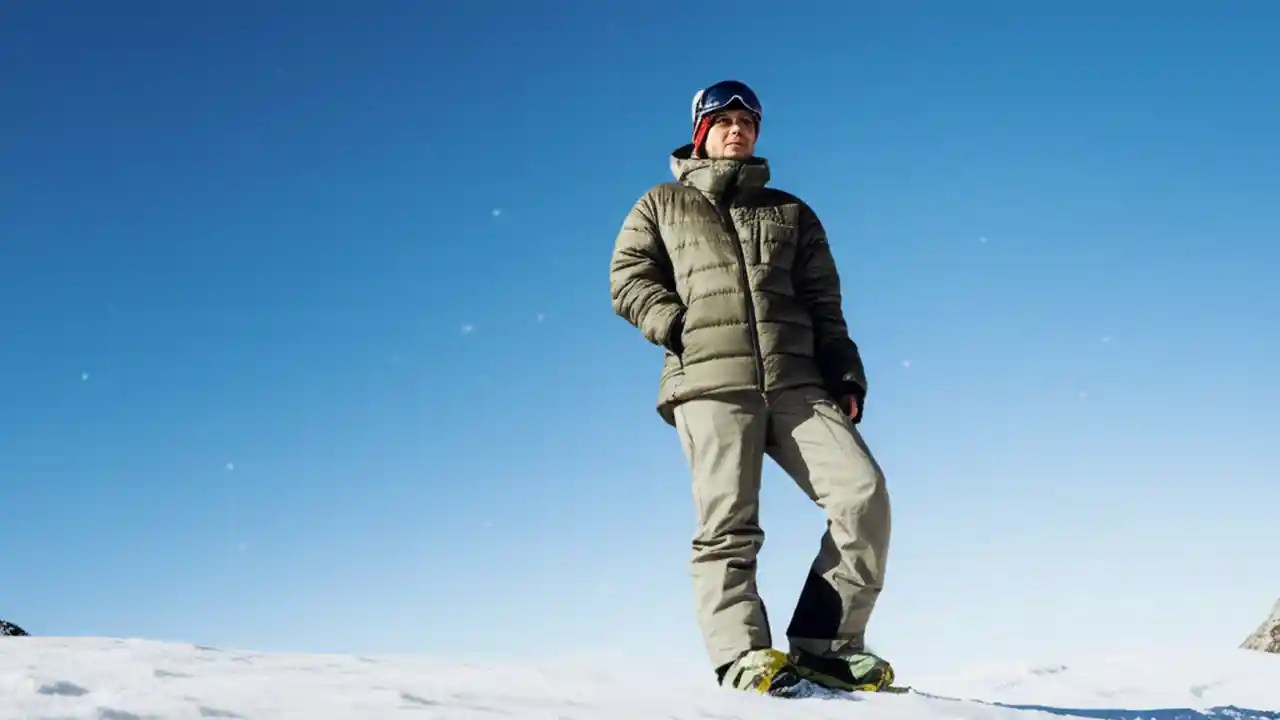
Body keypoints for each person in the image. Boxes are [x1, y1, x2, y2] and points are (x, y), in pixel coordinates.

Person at [609, 80, 894, 696]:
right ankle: (742, 654)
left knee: (862, 495)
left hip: (797, 380)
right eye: (724, 120)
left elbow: (824, 302)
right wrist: (679, 324)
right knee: (729, 524)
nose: (737, 129)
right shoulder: (661, 204)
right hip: (710, 382)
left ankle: (827, 644)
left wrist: (844, 372)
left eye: (747, 121)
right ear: (700, 132)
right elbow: (628, 279)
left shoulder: (791, 211)